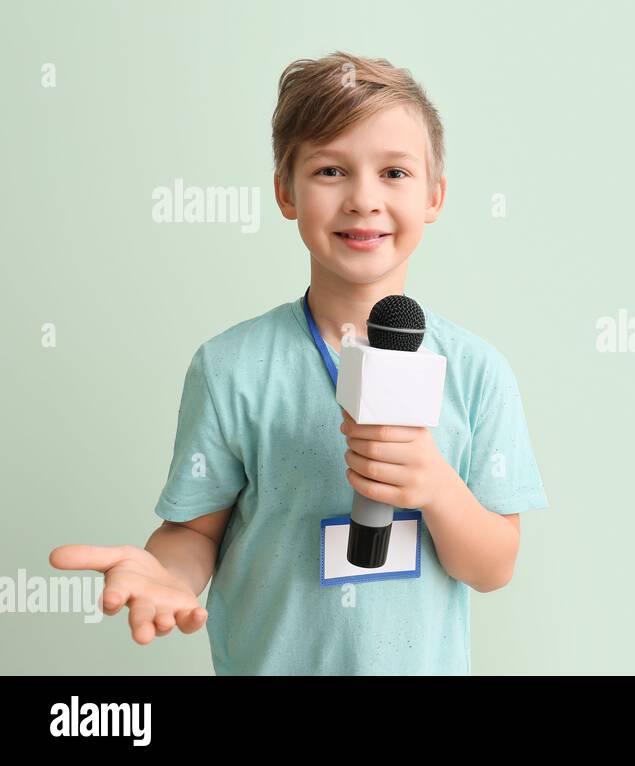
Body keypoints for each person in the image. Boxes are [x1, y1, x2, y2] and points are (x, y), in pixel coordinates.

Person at [48, 51, 548, 674]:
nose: (363, 199)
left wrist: (436, 488)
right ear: (286, 192)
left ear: (434, 196)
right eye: (331, 170)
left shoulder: (478, 372)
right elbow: (195, 533)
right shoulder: (230, 367)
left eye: (394, 172)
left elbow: (494, 566)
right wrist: (168, 574)